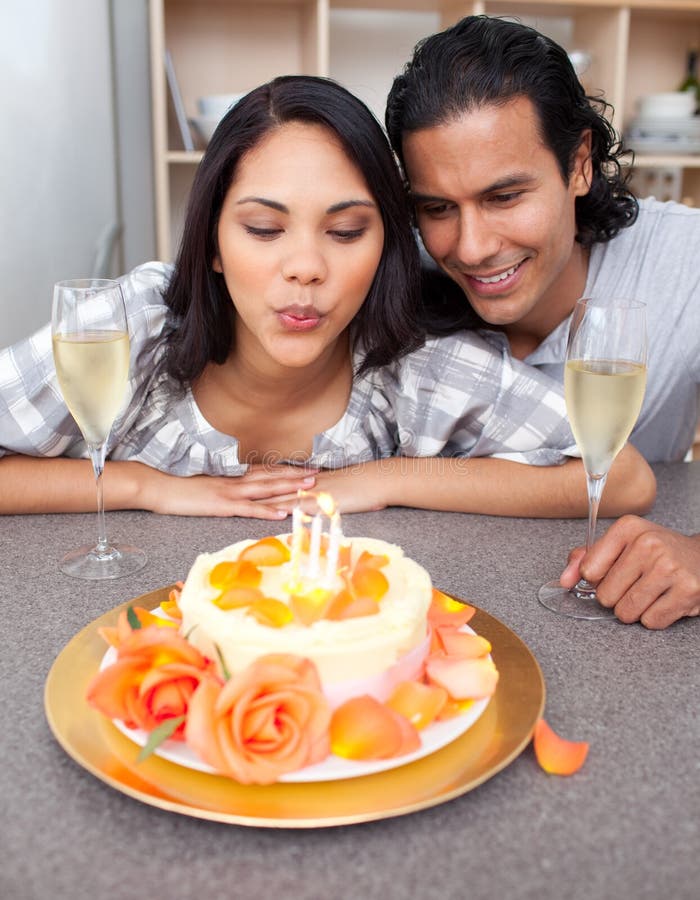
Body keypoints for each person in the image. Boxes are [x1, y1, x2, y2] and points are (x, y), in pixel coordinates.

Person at [0, 75, 654, 520]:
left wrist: (381, 478)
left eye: (345, 232)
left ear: (386, 247)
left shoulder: (413, 367)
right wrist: (149, 488)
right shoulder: (131, 327)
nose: (306, 269)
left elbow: (622, 477)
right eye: (264, 229)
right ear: (212, 243)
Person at [385, 14, 698, 625]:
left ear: (579, 163)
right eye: (438, 207)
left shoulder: (684, 262)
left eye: (504, 197)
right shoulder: (399, 273)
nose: (471, 247)